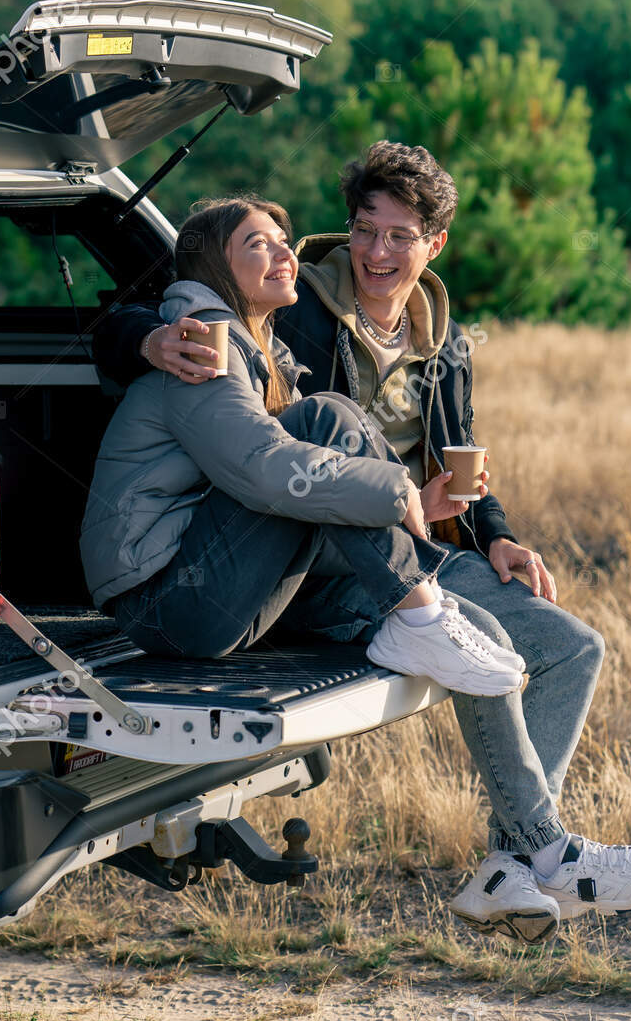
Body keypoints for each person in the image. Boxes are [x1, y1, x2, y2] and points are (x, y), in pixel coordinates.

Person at [91, 145, 631, 941]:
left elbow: (455, 456)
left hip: (402, 535)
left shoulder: (445, 341)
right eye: (365, 230)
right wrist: (145, 340)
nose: (376, 252)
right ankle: (546, 847)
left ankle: (512, 865)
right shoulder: (294, 302)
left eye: (400, 236)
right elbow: (154, 310)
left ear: (434, 244)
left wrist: (494, 534)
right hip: (312, 548)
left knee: (571, 646)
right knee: (470, 624)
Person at [80, 196, 532, 730]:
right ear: (217, 268)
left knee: (332, 424)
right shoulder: (201, 346)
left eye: (282, 241)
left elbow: (309, 499)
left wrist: (418, 508)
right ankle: (421, 620)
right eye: (258, 244)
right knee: (325, 418)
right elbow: (263, 468)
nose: (284, 254)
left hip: (216, 598)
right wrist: (397, 489)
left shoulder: (264, 351)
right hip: (167, 607)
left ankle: (421, 617)